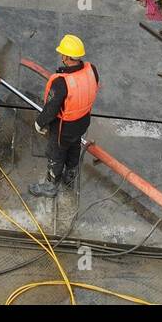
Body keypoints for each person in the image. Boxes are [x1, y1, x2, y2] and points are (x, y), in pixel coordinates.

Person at [29, 33, 99, 198]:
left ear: (66, 56)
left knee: (56, 153)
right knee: (74, 146)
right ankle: (70, 176)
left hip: (64, 127)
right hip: (83, 121)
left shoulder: (61, 82)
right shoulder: (91, 70)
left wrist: (39, 123)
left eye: (62, 53)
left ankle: (51, 186)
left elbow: (51, 109)